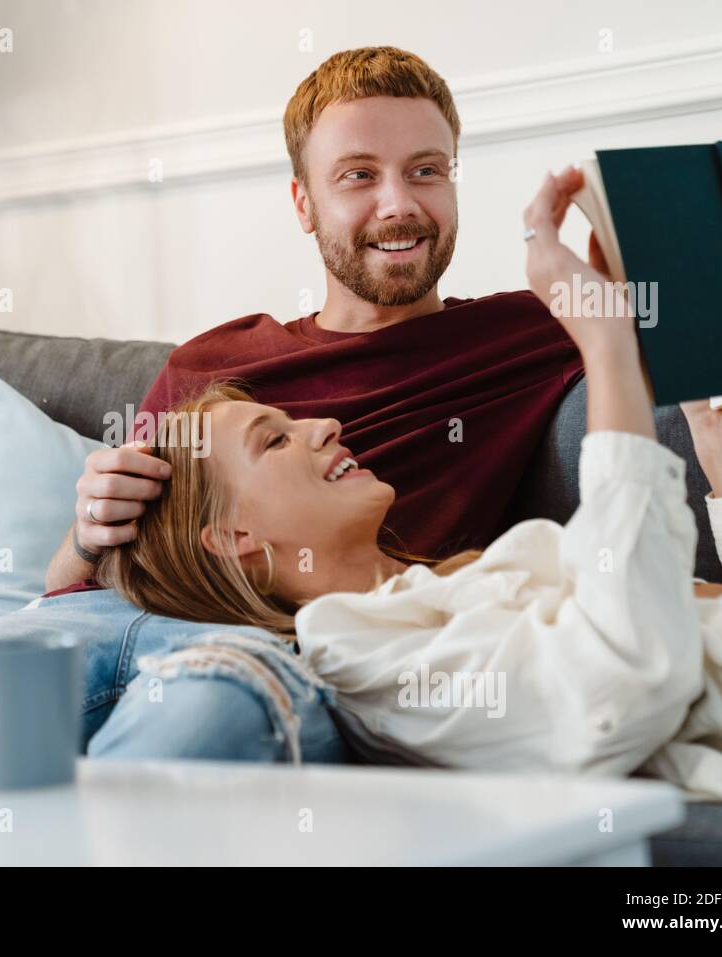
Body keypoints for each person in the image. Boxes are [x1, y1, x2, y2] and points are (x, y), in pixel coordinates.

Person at [93, 165, 722, 809]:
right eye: (275, 438)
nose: (327, 425)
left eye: (429, 170)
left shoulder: (452, 578)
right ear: (235, 537)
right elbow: (620, 689)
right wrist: (607, 347)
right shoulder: (357, 654)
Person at [46, 45, 584, 595]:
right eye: (358, 175)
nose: (398, 204)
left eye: (426, 170)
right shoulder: (206, 369)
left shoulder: (529, 331)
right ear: (304, 205)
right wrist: (88, 534)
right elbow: (73, 599)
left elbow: (657, 325)